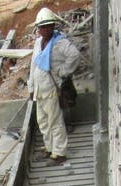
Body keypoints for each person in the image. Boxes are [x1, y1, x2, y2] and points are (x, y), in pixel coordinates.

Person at [28, 7, 81, 165]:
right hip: (39, 89)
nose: (44, 30)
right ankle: (49, 147)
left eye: (47, 26)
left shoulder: (60, 43)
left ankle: (59, 153)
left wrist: (63, 71)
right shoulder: (39, 43)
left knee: (55, 121)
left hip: (51, 88)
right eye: (41, 27)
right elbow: (33, 66)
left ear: (53, 26)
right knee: (43, 121)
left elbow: (74, 55)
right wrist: (31, 88)